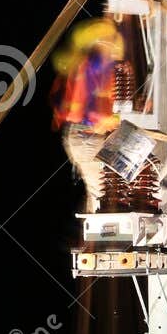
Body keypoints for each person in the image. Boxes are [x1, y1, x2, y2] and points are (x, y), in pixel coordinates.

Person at [50, 17, 126, 209]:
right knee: (101, 194)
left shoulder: (102, 67)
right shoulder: (91, 65)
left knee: (103, 192)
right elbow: (86, 109)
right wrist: (112, 119)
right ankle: (100, 236)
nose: (111, 44)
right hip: (86, 135)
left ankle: (98, 233)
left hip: (87, 135)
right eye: (107, 40)